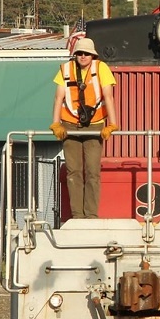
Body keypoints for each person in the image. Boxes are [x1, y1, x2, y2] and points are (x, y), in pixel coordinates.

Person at [51, 38, 118, 219]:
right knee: (73, 171)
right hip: (69, 124)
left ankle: (91, 215)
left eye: (86, 53)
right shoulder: (65, 69)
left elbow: (108, 96)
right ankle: (77, 215)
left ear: (92, 55)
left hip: (95, 124)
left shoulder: (101, 68)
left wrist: (112, 124)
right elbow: (58, 98)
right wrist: (55, 123)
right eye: (79, 53)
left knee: (92, 171)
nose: (82, 56)